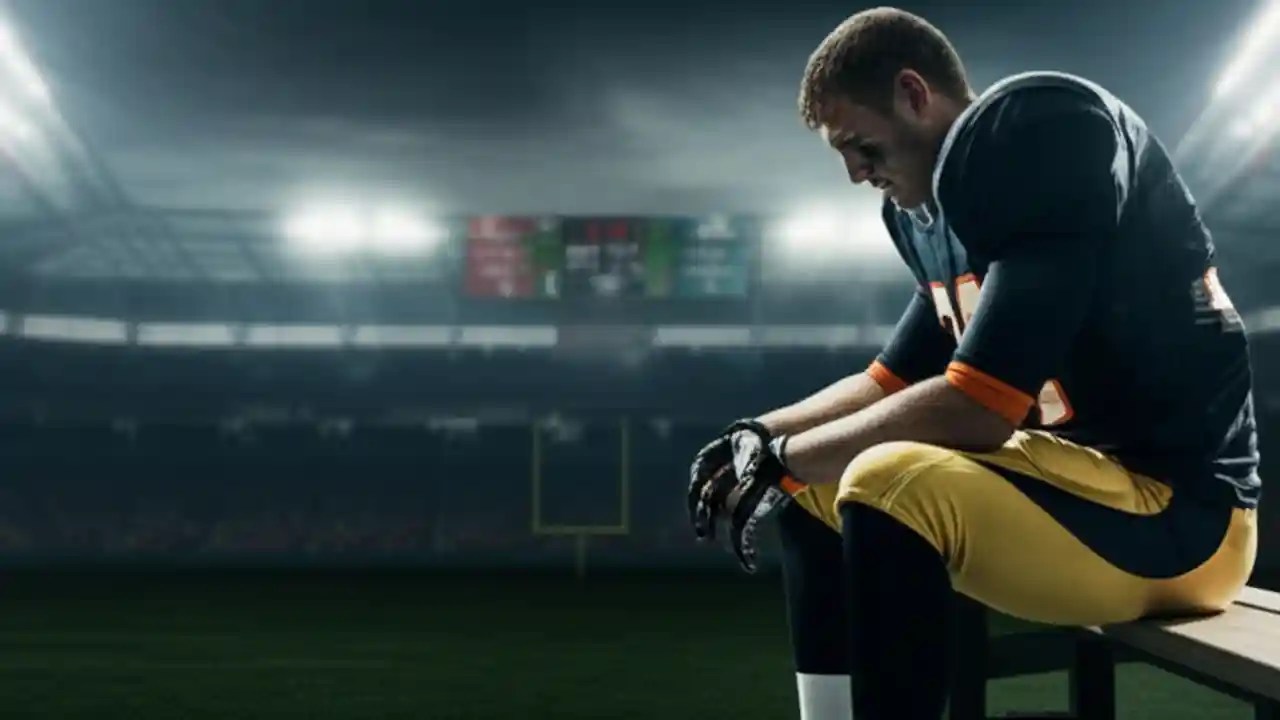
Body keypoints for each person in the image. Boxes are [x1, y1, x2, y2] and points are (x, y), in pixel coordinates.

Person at [687, 7, 1261, 720]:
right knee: (815, 489)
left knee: (879, 478)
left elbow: (979, 410)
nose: (855, 174)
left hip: (1184, 516)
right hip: (1083, 488)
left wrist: (785, 456)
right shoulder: (938, 212)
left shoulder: (1033, 135)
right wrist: (758, 435)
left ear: (913, 94)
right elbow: (884, 381)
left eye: (860, 145)